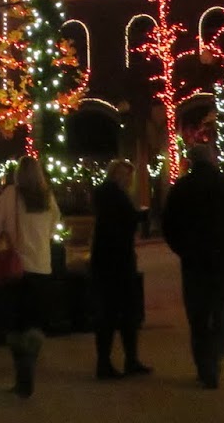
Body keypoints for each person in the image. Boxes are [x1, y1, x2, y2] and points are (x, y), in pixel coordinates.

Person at [160, 142, 224, 389]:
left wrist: (181, 248)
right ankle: (214, 356)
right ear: (213, 159)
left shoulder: (181, 188)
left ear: (191, 161)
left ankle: (204, 363)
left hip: (193, 260)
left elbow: (168, 223)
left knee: (198, 314)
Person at [0, 154, 61, 398]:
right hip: (42, 267)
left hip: (17, 269)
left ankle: (21, 373)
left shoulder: (11, 194)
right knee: (34, 323)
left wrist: (8, 231)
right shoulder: (47, 196)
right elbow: (54, 225)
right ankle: (31, 358)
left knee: (15, 325)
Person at [90, 159, 151, 379]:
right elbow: (123, 222)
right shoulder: (115, 196)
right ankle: (122, 361)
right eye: (125, 175)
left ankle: (110, 361)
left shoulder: (105, 195)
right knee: (122, 311)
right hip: (117, 260)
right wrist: (141, 215)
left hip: (106, 260)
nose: (128, 179)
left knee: (111, 312)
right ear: (116, 175)